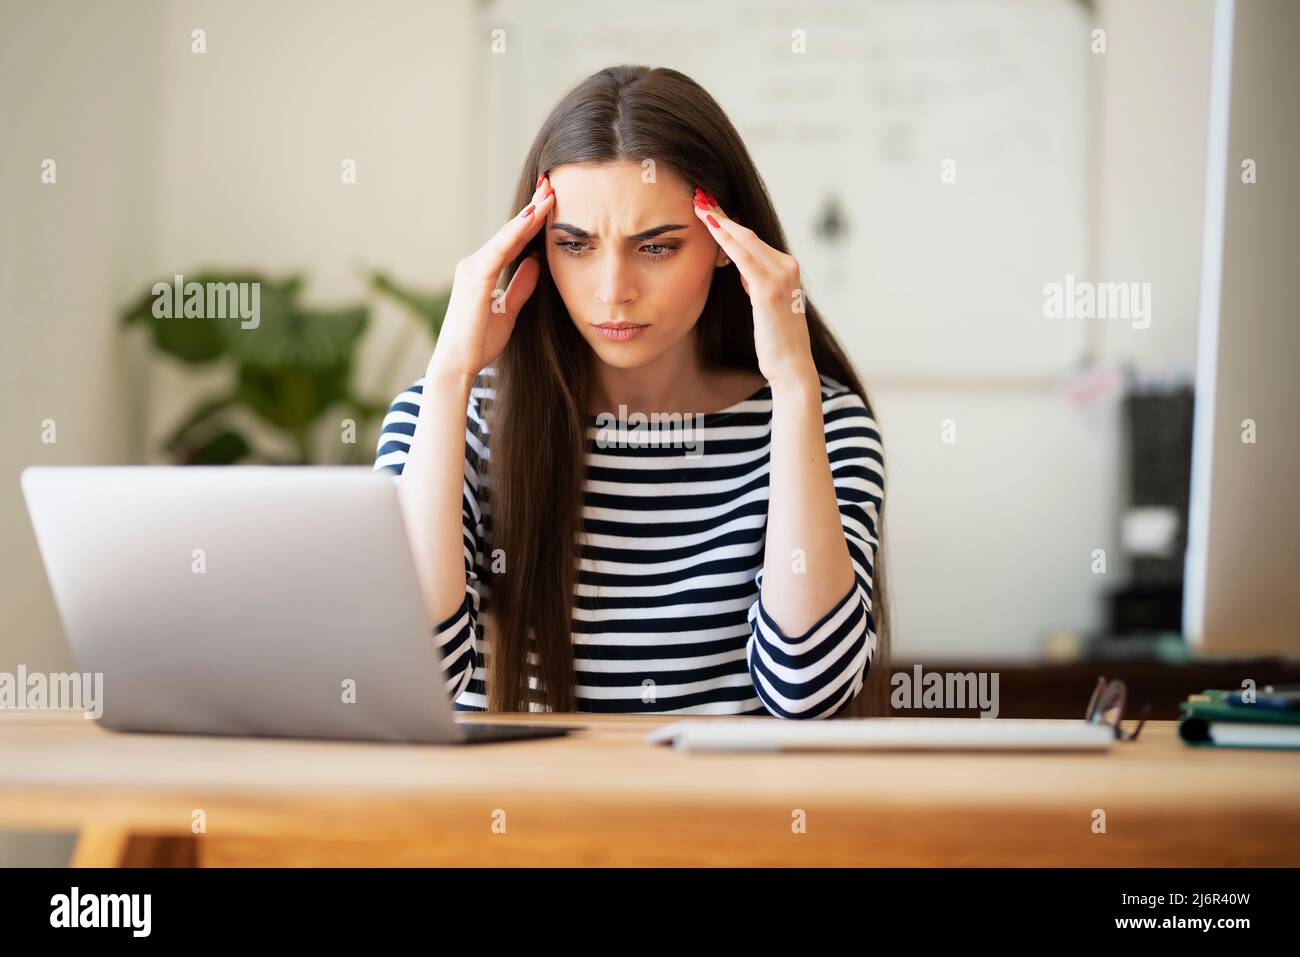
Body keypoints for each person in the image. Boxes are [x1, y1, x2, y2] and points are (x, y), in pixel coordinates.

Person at [375, 65, 888, 718]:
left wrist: (793, 388)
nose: (613, 289)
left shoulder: (823, 422)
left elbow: (807, 688)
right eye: (575, 245)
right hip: (506, 818)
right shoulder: (443, 418)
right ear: (536, 245)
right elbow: (416, 673)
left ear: (725, 243)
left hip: (717, 820)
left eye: (657, 246)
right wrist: (449, 379)